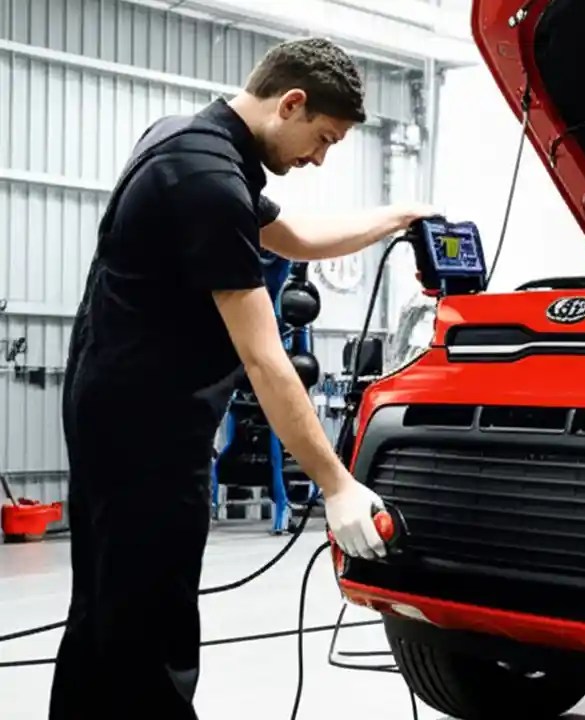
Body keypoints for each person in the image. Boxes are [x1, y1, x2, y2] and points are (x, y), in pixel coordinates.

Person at [49, 37, 435, 719]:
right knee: (153, 623)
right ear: (291, 103)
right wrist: (337, 484)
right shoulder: (210, 183)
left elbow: (301, 239)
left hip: (111, 410)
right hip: (150, 430)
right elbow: (266, 359)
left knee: (107, 612)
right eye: (322, 138)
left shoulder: (185, 142)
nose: (318, 157)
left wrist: (397, 217)